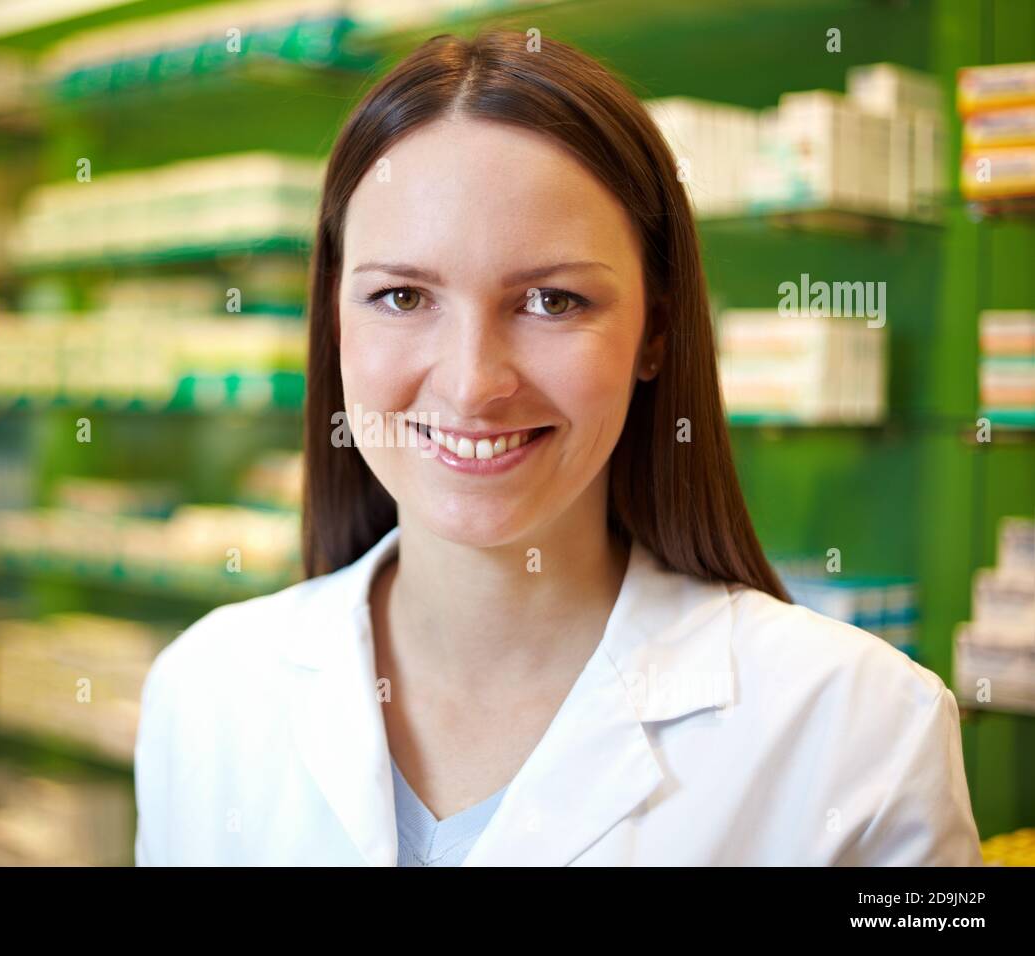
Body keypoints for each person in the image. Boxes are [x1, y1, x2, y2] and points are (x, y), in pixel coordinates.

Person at [134, 30, 982, 866]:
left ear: (657, 329)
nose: (472, 385)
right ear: (335, 321)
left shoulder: (861, 729)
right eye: (400, 296)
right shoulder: (206, 690)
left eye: (552, 301)